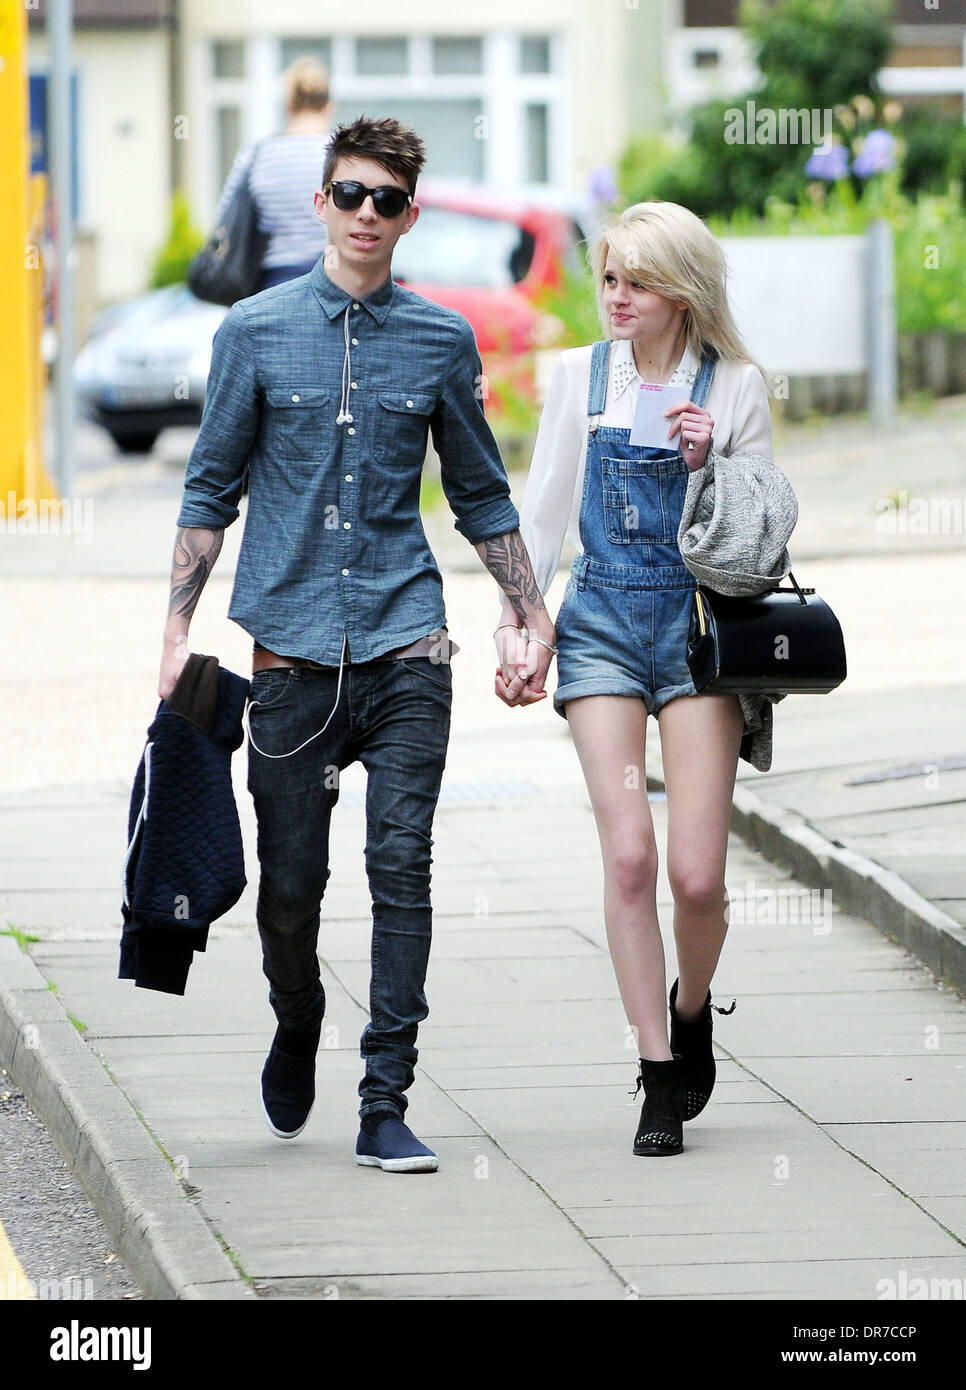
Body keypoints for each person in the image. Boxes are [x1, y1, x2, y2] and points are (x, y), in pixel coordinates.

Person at [159, 116, 555, 1174]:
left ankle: (386, 1096)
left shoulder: (439, 341)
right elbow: (210, 488)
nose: (368, 213)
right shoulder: (252, 331)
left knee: (403, 865)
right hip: (287, 656)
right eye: (352, 194)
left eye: (388, 199)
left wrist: (526, 606)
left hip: (407, 643)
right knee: (289, 890)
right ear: (321, 203)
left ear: (410, 214)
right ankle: (296, 1018)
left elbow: (477, 490)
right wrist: (177, 630)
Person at [494, 201, 797, 1157]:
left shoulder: (736, 386)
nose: (617, 296)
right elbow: (539, 517)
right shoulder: (578, 377)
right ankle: (657, 1071)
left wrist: (714, 461)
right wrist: (521, 624)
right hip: (603, 634)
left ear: (682, 289)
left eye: (637, 280)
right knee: (629, 856)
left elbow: (762, 528)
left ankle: (693, 1004)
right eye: (611, 278)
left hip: (700, 634)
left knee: (696, 875)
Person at [211, 55, 334, 293]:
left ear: (288, 105)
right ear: (328, 107)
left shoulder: (256, 155)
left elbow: (225, 217)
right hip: (333, 280)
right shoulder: (342, 154)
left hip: (271, 283)